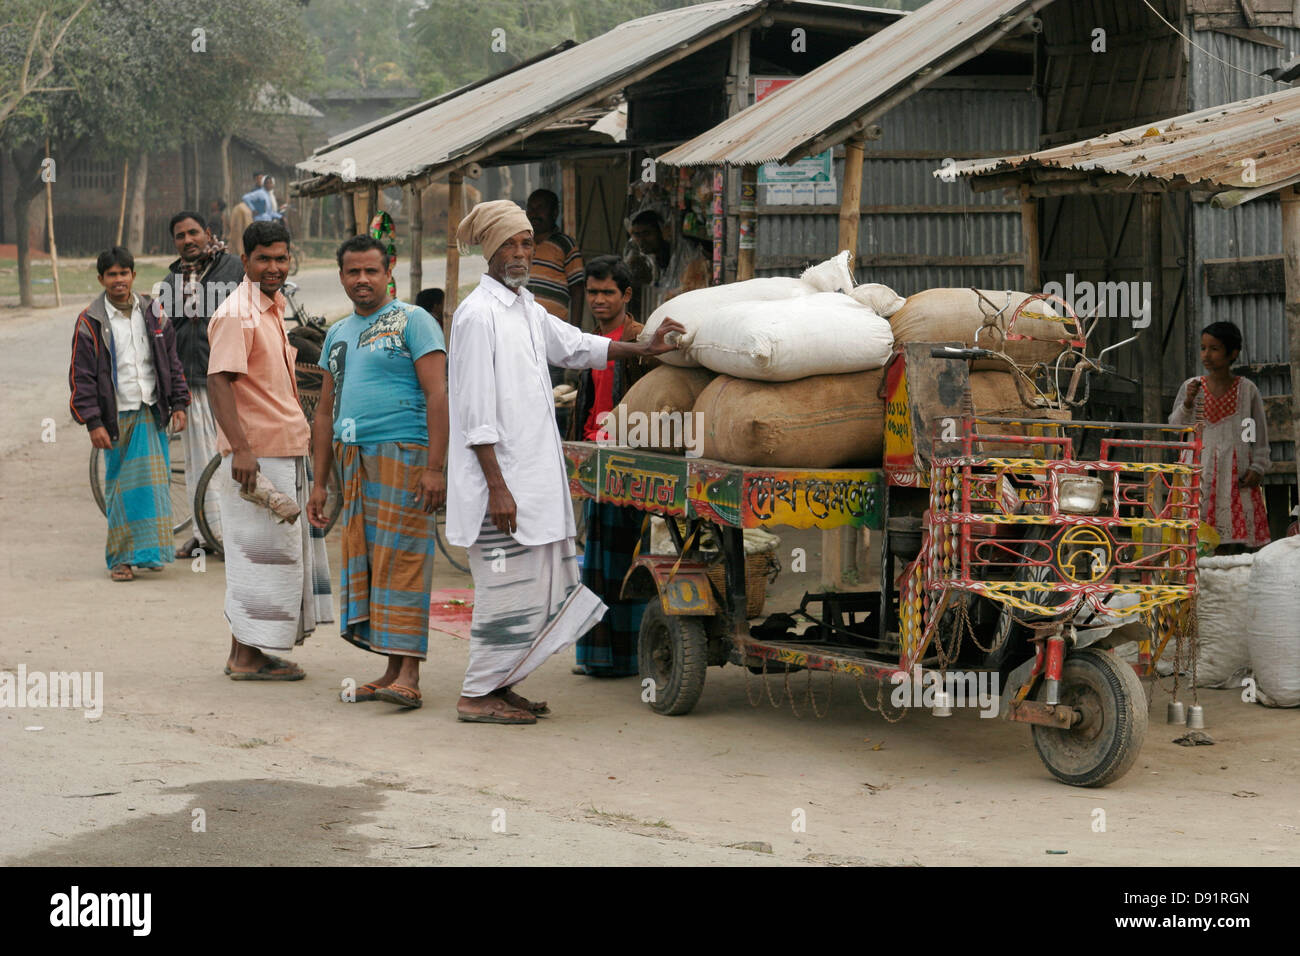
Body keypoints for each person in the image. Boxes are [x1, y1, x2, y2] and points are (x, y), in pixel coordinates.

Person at [447, 200, 685, 723]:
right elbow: (475, 414)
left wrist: (647, 345)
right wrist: (498, 487)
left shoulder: (527, 307)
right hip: (500, 486)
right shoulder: (476, 315)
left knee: (538, 588)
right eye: (509, 243)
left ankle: (502, 684)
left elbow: (578, 346)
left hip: (532, 480)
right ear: (489, 249)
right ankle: (476, 694)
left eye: (527, 242)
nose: (521, 252)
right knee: (504, 591)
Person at [308, 236, 448, 709]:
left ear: (389, 271)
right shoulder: (337, 333)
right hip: (352, 458)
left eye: (371, 270)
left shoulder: (415, 320)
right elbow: (324, 412)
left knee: (404, 558)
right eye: (353, 272)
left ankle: (409, 673)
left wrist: (434, 467)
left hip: (405, 455)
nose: (362, 279)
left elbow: (438, 395)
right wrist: (320, 483)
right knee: (369, 561)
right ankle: (389, 668)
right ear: (341, 276)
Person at [207, 220, 332, 680]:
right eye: (265, 259)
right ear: (246, 262)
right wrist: (241, 449)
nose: (275, 267)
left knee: (269, 554)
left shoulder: (272, 308)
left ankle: (249, 652)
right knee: (257, 556)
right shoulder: (237, 312)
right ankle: (245, 658)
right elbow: (218, 380)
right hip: (256, 458)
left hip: (281, 449)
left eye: (281, 258)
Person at [69, 247, 190, 581]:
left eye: (124, 273)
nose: (118, 280)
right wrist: (92, 421)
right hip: (116, 416)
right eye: (111, 274)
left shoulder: (153, 312)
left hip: (151, 410)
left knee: (154, 486)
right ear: (101, 279)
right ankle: (121, 558)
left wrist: (179, 402)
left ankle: (149, 554)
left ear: (133, 276)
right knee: (121, 488)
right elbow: (82, 376)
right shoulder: (90, 320)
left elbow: (171, 361)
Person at [565, 255, 655, 678]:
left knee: (625, 559)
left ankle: (626, 658)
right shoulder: (591, 341)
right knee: (595, 559)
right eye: (594, 293)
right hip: (594, 463)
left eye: (608, 293)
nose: (599, 300)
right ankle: (596, 657)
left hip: (628, 465)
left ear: (627, 295)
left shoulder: (639, 341)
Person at [162, 210, 245, 558]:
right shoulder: (170, 281)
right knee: (198, 459)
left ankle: (231, 534)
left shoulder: (234, 270)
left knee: (230, 454)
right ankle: (204, 533)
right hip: (192, 380)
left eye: (193, 233)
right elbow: (164, 335)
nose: (188, 240)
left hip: (229, 377)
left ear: (207, 233)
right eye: (180, 236)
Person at [1170, 320, 1271, 551]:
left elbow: (1254, 433)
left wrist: (1257, 466)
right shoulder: (1191, 387)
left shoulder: (1247, 391)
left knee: (1234, 544)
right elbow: (1177, 428)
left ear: (1232, 353)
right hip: (1199, 470)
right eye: (1203, 348)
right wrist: (1187, 402)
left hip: (1234, 474)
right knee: (1194, 539)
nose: (1206, 355)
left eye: (1214, 349)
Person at [525, 188, 585, 326]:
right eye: (531, 208)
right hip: (522, 325)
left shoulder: (566, 245)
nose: (534, 213)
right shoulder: (521, 242)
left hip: (553, 327)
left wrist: (575, 330)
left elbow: (577, 291)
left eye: (540, 208)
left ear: (555, 212)